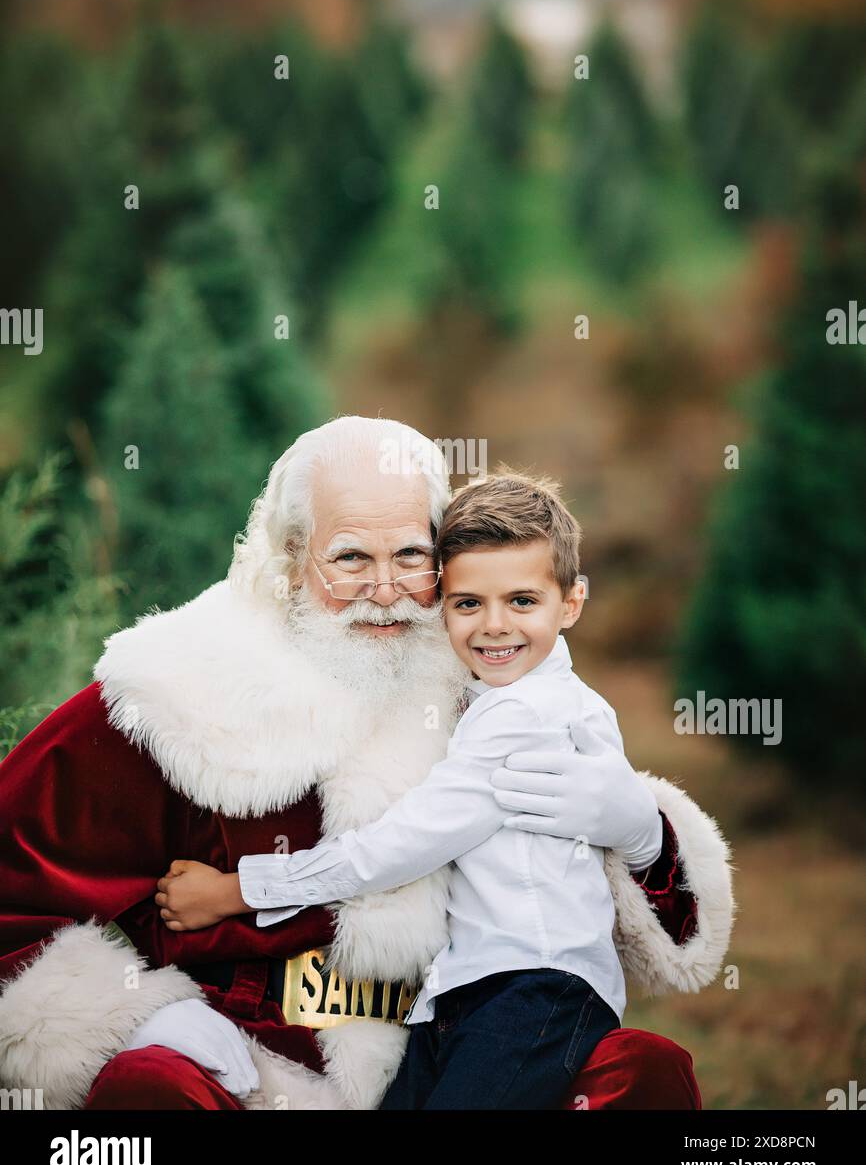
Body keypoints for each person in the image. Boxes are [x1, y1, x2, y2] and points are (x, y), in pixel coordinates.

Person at [0, 416, 733, 1110]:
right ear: (293, 559)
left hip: (464, 1045)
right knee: (149, 1085)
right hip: (249, 1064)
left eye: (410, 556)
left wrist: (644, 833)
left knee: (644, 1072)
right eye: (351, 557)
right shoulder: (182, 688)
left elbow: (615, 919)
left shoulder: (490, 680)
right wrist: (146, 1019)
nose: (385, 592)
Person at [154, 472, 670, 1110]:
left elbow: (400, 847)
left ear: (572, 602)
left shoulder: (526, 716)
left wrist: (237, 890)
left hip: (536, 990)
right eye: (467, 603)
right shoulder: (516, 700)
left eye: (522, 601)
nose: (494, 627)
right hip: (468, 992)